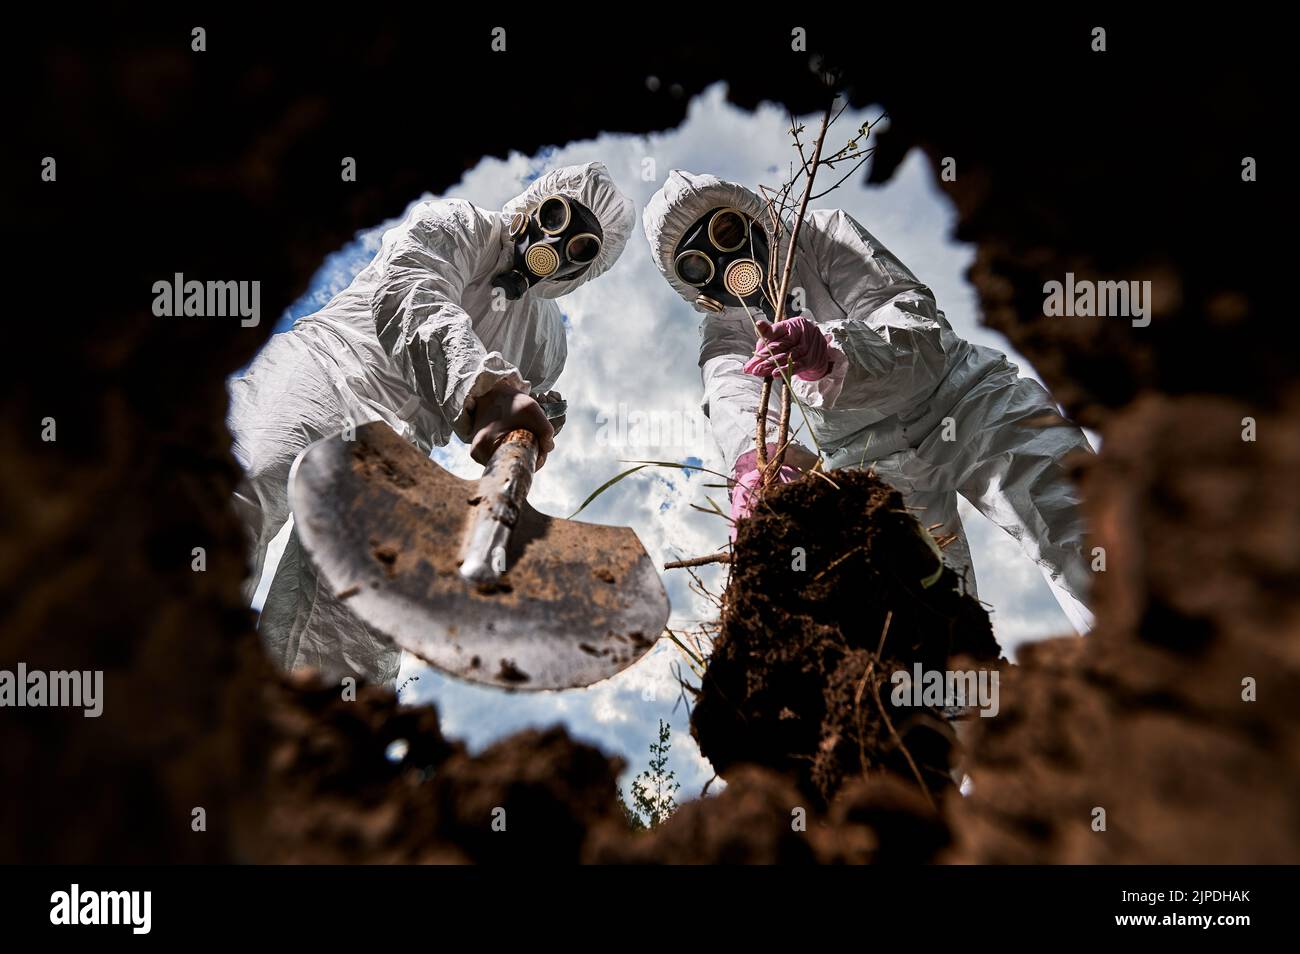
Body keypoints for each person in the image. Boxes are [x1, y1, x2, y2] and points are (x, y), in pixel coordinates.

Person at [228, 162, 635, 683]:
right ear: (536, 203)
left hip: (401, 442)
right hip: (328, 366)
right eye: (557, 215)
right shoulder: (461, 224)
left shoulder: (546, 342)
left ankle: (291, 746)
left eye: (582, 248)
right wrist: (483, 385)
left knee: (356, 612)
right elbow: (410, 288)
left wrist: (525, 419)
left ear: (585, 271)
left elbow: (504, 413)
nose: (559, 241)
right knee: (247, 482)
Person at [643, 170, 1093, 632]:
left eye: (728, 231)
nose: (725, 259)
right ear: (696, 291)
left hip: (967, 399)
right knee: (907, 622)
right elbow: (731, 393)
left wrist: (832, 353)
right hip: (868, 461)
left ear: (754, 217)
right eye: (698, 265)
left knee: (1080, 528)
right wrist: (758, 466)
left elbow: (912, 321)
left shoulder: (820, 235)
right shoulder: (724, 332)